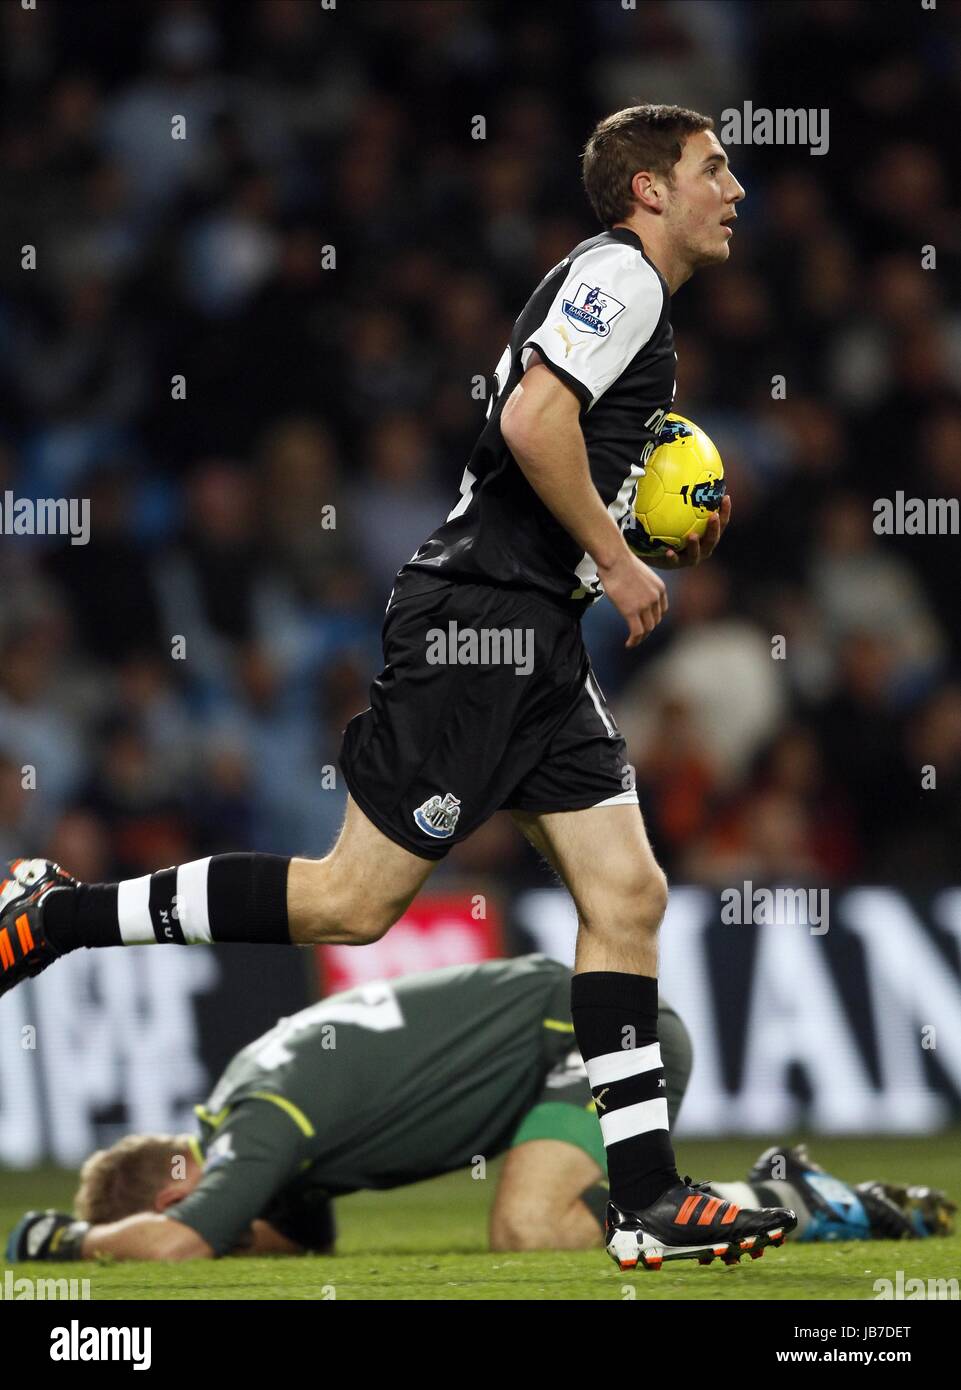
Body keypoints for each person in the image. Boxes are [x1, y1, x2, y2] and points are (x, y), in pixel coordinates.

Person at [0, 104, 796, 1269]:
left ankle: (646, 1194)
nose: (735, 187)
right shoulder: (621, 277)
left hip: (538, 640)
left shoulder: (628, 300)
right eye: (712, 168)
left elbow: (554, 437)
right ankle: (55, 913)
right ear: (647, 192)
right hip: (479, 625)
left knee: (626, 895)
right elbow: (532, 422)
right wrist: (623, 559)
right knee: (350, 901)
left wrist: (631, 527)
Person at [7, 957, 951, 1265]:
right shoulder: (253, 1097)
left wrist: (62, 1243)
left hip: (593, 1032)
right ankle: (793, 1195)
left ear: (174, 1187)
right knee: (546, 1221)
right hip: (576, 1022)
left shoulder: (252, 1125)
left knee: (527, 1228)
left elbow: (188, 1244)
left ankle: (782, 1195)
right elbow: (295, 1248)